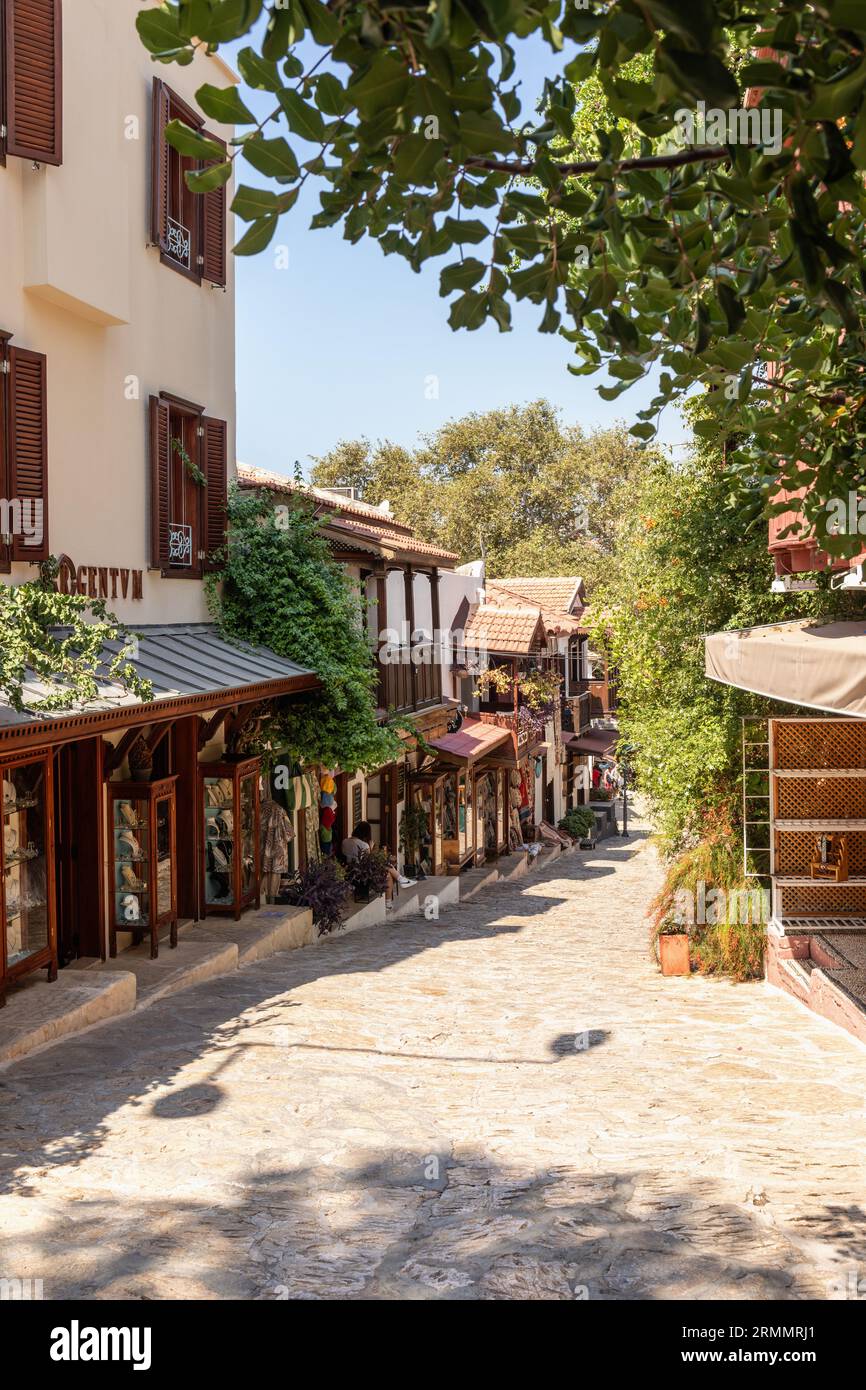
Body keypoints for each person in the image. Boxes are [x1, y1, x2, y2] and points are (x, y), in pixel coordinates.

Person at [341, 821, 416, 907]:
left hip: (350, 871)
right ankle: (399, 883)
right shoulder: (363, 845)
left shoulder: (345, 841)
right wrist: (371, 848)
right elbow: (369, 861)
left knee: (387, 871)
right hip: (363, 874)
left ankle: (400, 881)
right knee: (387, 874)